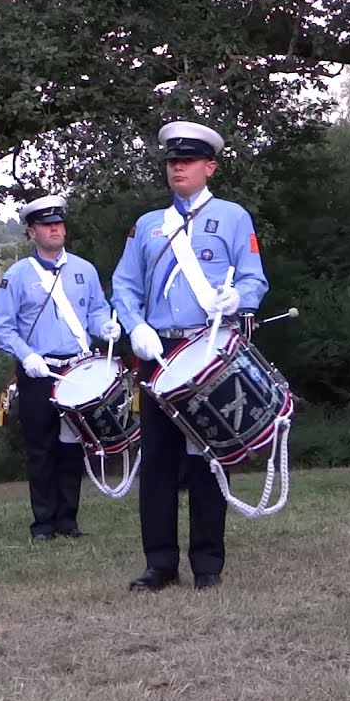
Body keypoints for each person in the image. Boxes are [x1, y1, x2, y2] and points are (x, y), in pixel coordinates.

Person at [111, 121, 268, 591]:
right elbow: (124, 284)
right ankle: (159, 563)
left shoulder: (234, 217)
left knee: (206, 459)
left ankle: (207, 564)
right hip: (157, 351)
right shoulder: (147, 225)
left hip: (207, 347)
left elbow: (254, 278)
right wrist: (135, 326)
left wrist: (239, 299)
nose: (177, 168)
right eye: (171, 162)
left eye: (187, 161)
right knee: (157, 462)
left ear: (209, 166)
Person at [0, 194, 121, 541]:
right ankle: (43, 523)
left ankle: (68, 519)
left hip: (78, 369)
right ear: (32, 232)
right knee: (40, 447)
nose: (55, 230)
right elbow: (2, 328)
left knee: (72, 446)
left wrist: (105, 325)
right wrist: (26, 355)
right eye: (47, 226)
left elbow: (95, 311)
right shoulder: (16, 276)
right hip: (38, 371)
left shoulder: (84, 269)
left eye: (59, 224)